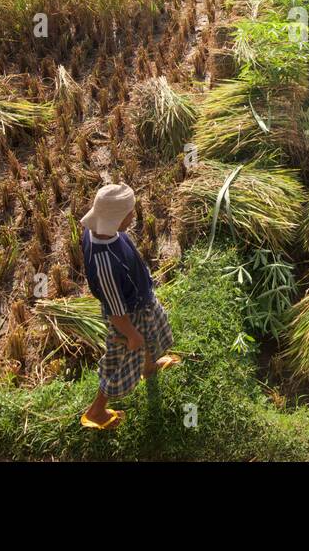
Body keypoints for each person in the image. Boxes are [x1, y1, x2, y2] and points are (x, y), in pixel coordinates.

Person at [78, 183, 180, 431]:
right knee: (121, 361)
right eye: (130, 213)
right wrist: (131, 335)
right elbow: (116, 311)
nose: (134, 216)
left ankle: (149, 368)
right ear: (115, 218)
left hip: (141, 302)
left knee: (151, 336)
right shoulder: (105, 265)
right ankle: (96, 411)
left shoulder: (101, 231)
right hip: (128, 317)